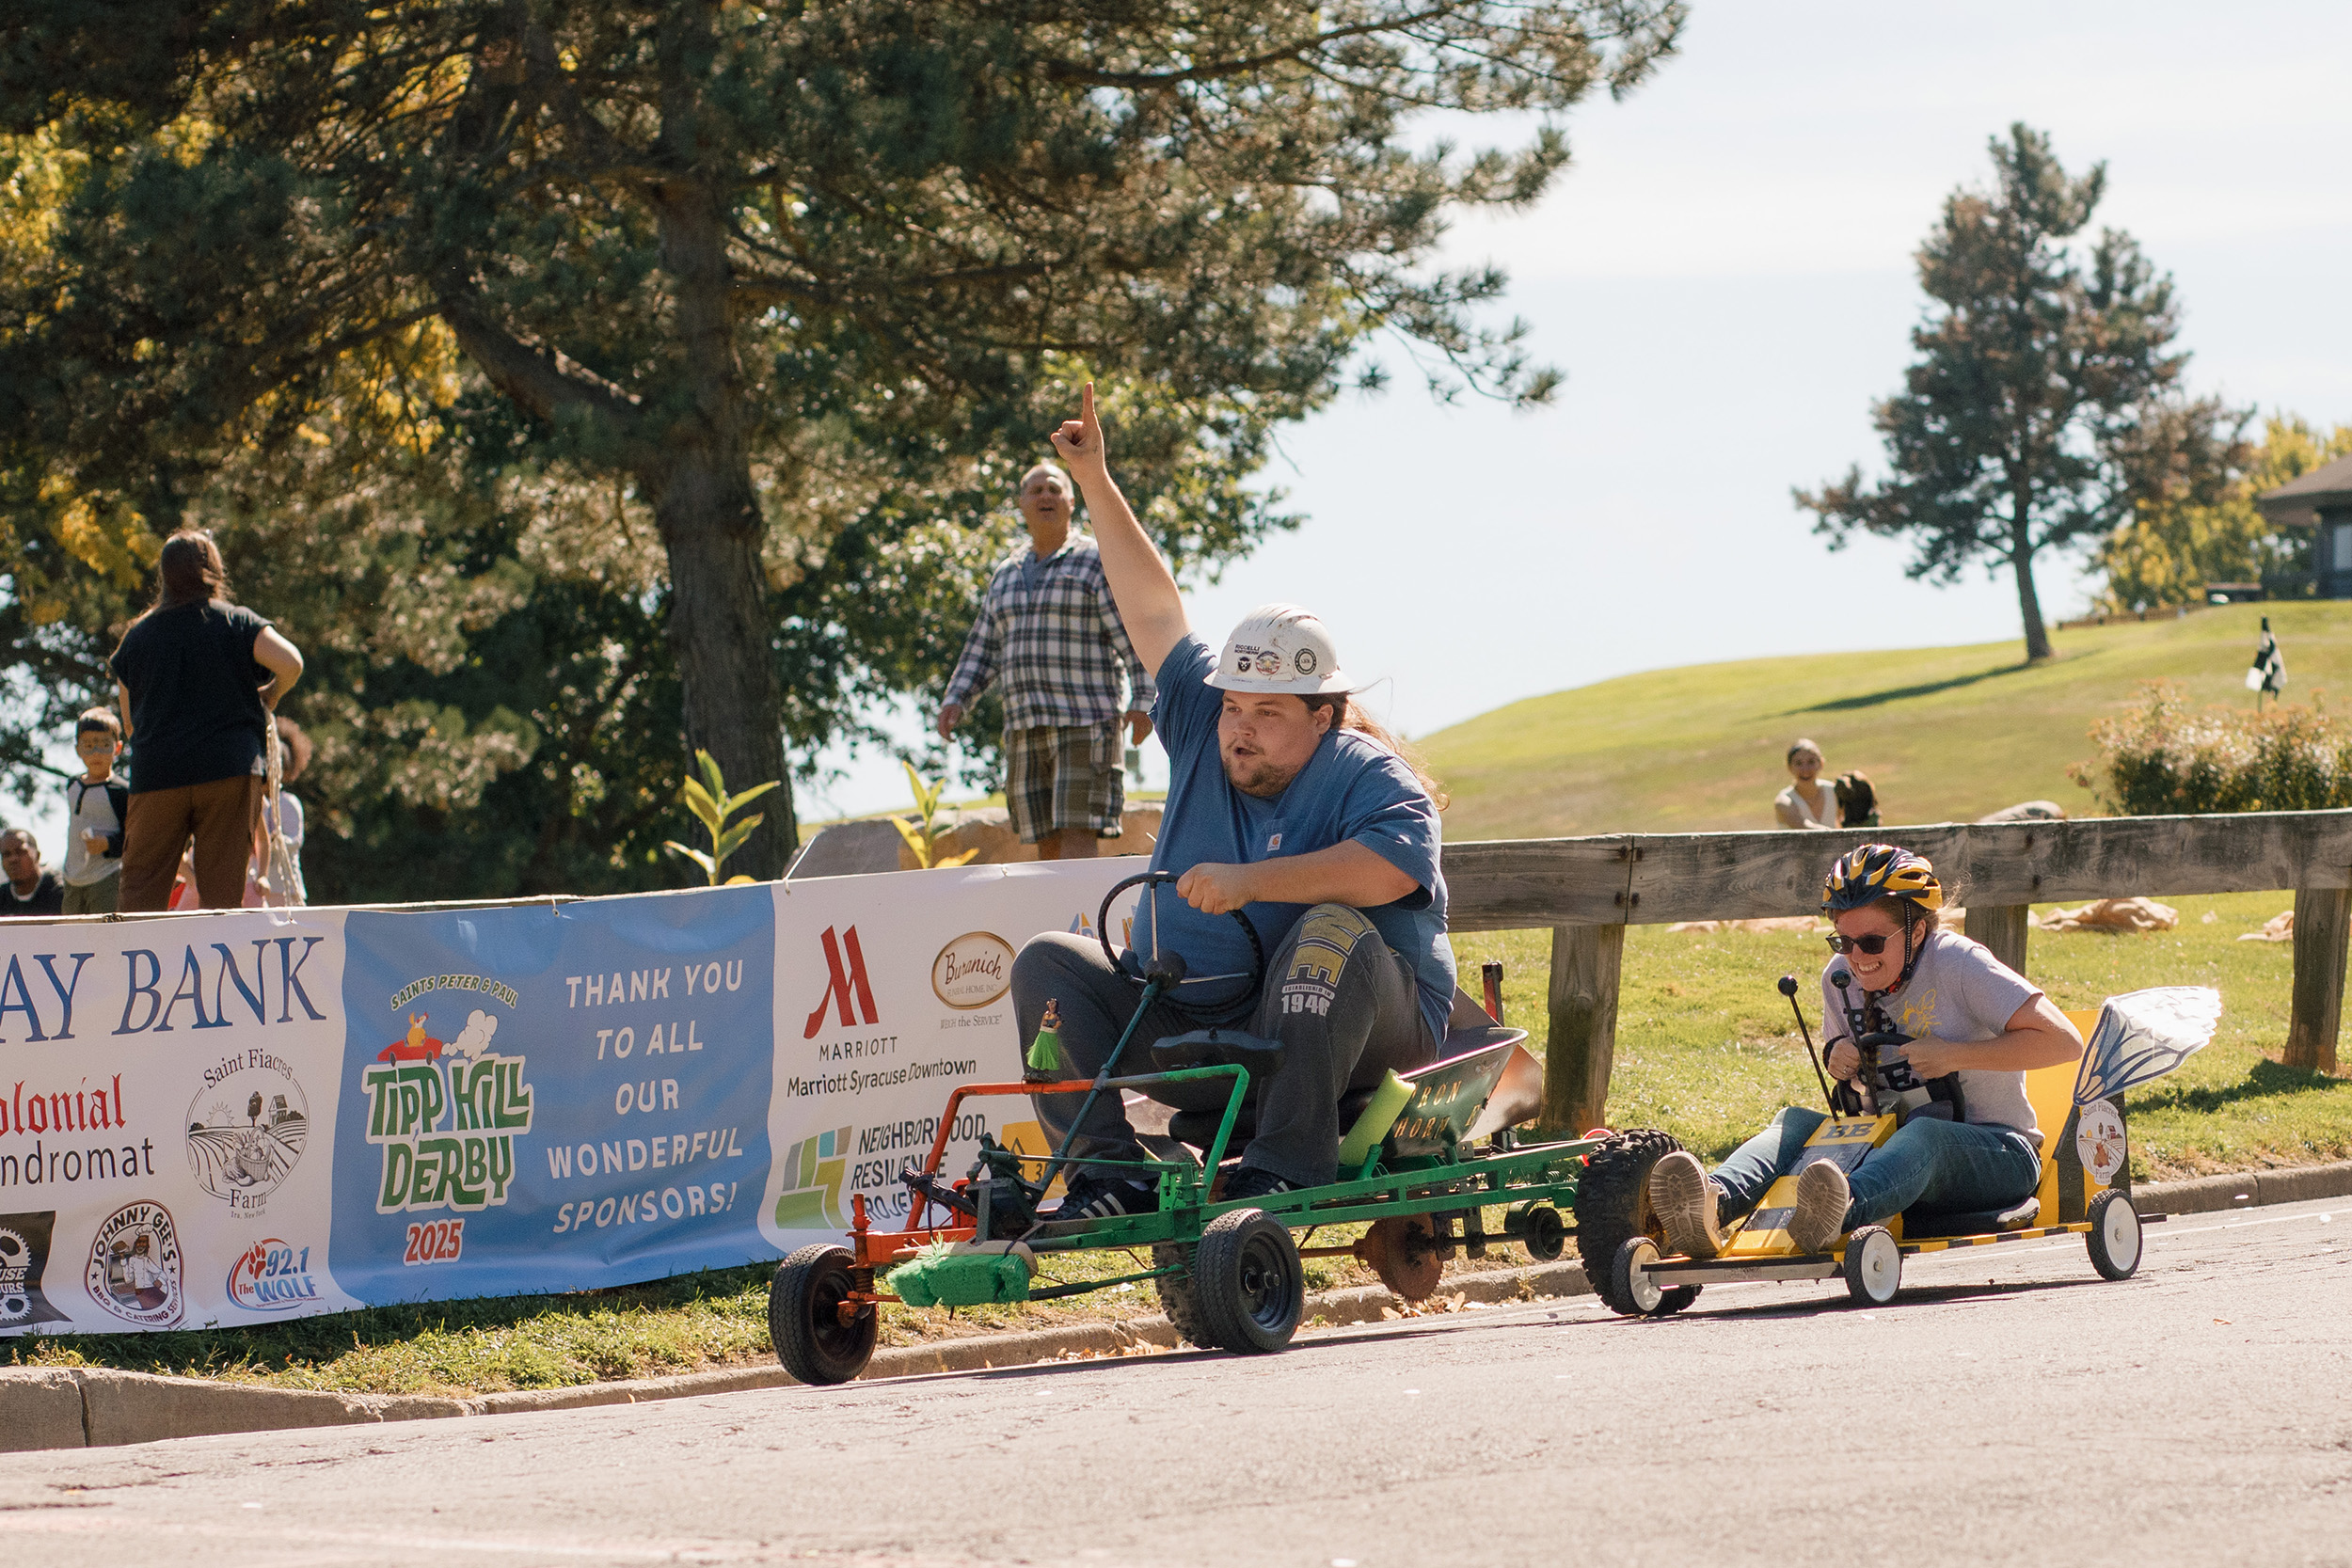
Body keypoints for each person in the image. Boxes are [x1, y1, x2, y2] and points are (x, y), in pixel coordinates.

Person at [1009, 385, 1455, 1217]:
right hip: (1202, 1024)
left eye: (1268, 713)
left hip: (1365, 1041)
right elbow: (1153, 611)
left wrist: (1251, 883)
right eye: (1233, 706)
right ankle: (1110, 1176)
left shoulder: (1367, 773)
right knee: (1047, 961)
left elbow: (1390, 871)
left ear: (1322, 717)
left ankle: (1282, 1171)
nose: (1240, 728)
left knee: (1328, 931)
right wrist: (1094, 477)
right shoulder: (1200, 725)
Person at [1647, 845, 2083, 1258]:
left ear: (1916, 932)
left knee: (1925, 1135)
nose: (1857, 957)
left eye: (1872, 943)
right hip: (1884, 1152)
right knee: (1795, 1122)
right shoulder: (1839, 977)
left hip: (2001, 1155)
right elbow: (1854, 1080)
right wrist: (1836, 1055)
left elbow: (2064, 1041)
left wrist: (1955, 1055)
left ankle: (1838, 1210)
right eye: (1844, 942)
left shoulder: (1959, 963)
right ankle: (1711, 1205)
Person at [936, 462, 1155, 860]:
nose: (1045, 496)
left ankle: (1081, 906)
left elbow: (1130, 634)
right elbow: (983, 647)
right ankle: (1057, 906)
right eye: (1035, 491)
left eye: (1054, 489)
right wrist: (956, 699)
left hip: (1086, 722)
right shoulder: (1006, 574)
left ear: (1071, 502)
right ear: (1021, 504)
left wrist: (1143, 701)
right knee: (1045, 845)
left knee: (1077, 834)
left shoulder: (1094, 562)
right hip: (1024, 727)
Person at [109, 530, 305, 911]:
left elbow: (130, 724)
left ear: (165, 576)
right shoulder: (237, 621)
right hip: (229, 771)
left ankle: (134, 952)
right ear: (214, 569)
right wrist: (271, 694)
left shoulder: (137, 637)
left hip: (157, 775)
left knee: (139, 895)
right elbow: (291, 663)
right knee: (222, 895)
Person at [62, 708, 129, 915]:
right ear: (78, 749)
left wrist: (108, 843)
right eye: (89, 746)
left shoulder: (120, 791)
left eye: (104, 745)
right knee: (71, 930)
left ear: (118, 748)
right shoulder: (72, 785)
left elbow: (134, 836)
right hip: (72, 877)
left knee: (104, 929)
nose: (96, 753)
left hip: (107, 876)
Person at [244, 717, 312, 908]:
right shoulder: (255, 801)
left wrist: (276, 840)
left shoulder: (289, 803)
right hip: (259, 886)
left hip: (285, 886)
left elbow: (295, 840)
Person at [1772, 738, 1837, 830]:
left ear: (1821, 764)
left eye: (1811, 762)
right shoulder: (1783, 801)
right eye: (1798, 763)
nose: (1805, 769)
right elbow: (1803, 827)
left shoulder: (1834, 792)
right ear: (1789, 767)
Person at [0, 828, 64, 917]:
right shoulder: (2, 897)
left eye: (20, 852)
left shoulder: (60, 892)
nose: (13, 859)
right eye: (6, 854)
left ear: (37, 856)